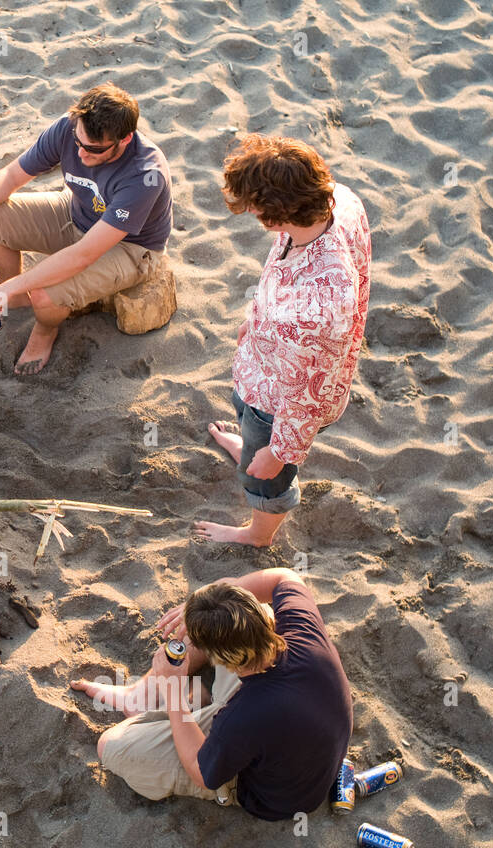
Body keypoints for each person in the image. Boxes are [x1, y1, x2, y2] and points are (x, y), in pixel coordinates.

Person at [70, 568, 352, 821]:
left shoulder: (244, 717)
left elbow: (202, 773)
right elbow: (285, 577)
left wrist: (173, 691)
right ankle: (148, 698)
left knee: (111, 746)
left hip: (272, 795)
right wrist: (216, 599)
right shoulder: (303, 628)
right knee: (233, 617)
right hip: (296, 726)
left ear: (224, 659)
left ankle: (191, 700)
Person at [198, 135, 371, 546]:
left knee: (264, 479)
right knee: (247, 424)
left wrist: (278, 454)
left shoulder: (323, 307)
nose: (251, 212)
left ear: (275, 215)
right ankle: (251, 448)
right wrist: (254, 321)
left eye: (255, 207)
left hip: (279, 403)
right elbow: (281, 274)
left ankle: (256, 535)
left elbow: (305, 397)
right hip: (262, 365)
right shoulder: (337, 201)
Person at [0, 83, 172, 374]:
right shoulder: (70, 127)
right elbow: (13, 175)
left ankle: (45, 330)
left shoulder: (145, 175)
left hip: (130, 247)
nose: (82, 154)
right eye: (78, 143)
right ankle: (16, 297)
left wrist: (15, 285)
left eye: (93, 149)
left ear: (125, 139)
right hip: (76, 210)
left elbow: (83, 255)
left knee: (44, 293)